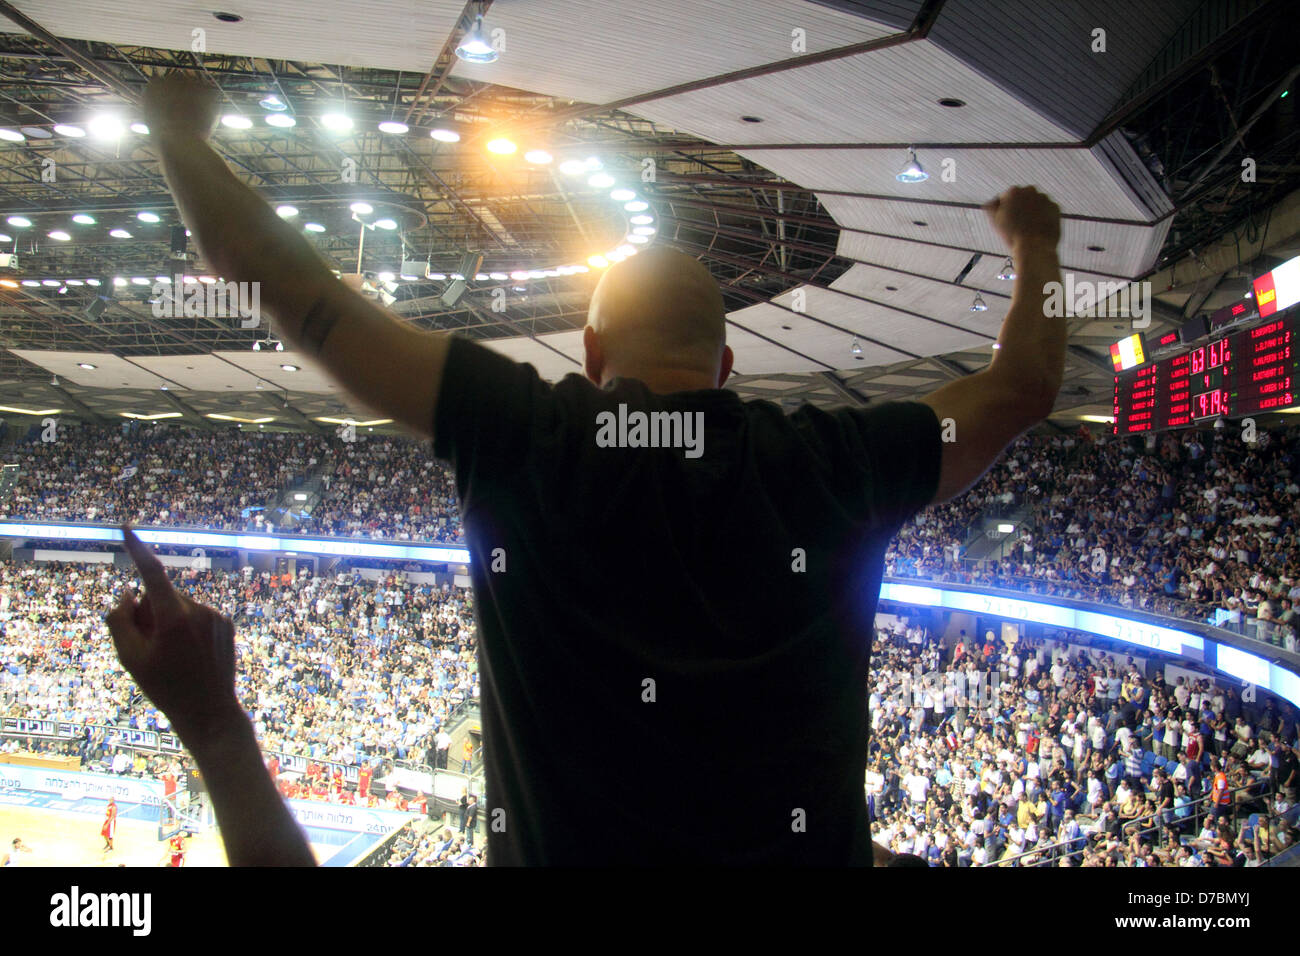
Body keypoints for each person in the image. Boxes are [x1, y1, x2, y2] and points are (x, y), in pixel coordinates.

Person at [108, 73, 1066, 866]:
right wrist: (1037, 246)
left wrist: (177, 134)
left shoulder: (530, 435)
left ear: (592, 350)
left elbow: (284, 284)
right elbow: (1021, 387)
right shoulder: (836, 460)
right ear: (727, 368)